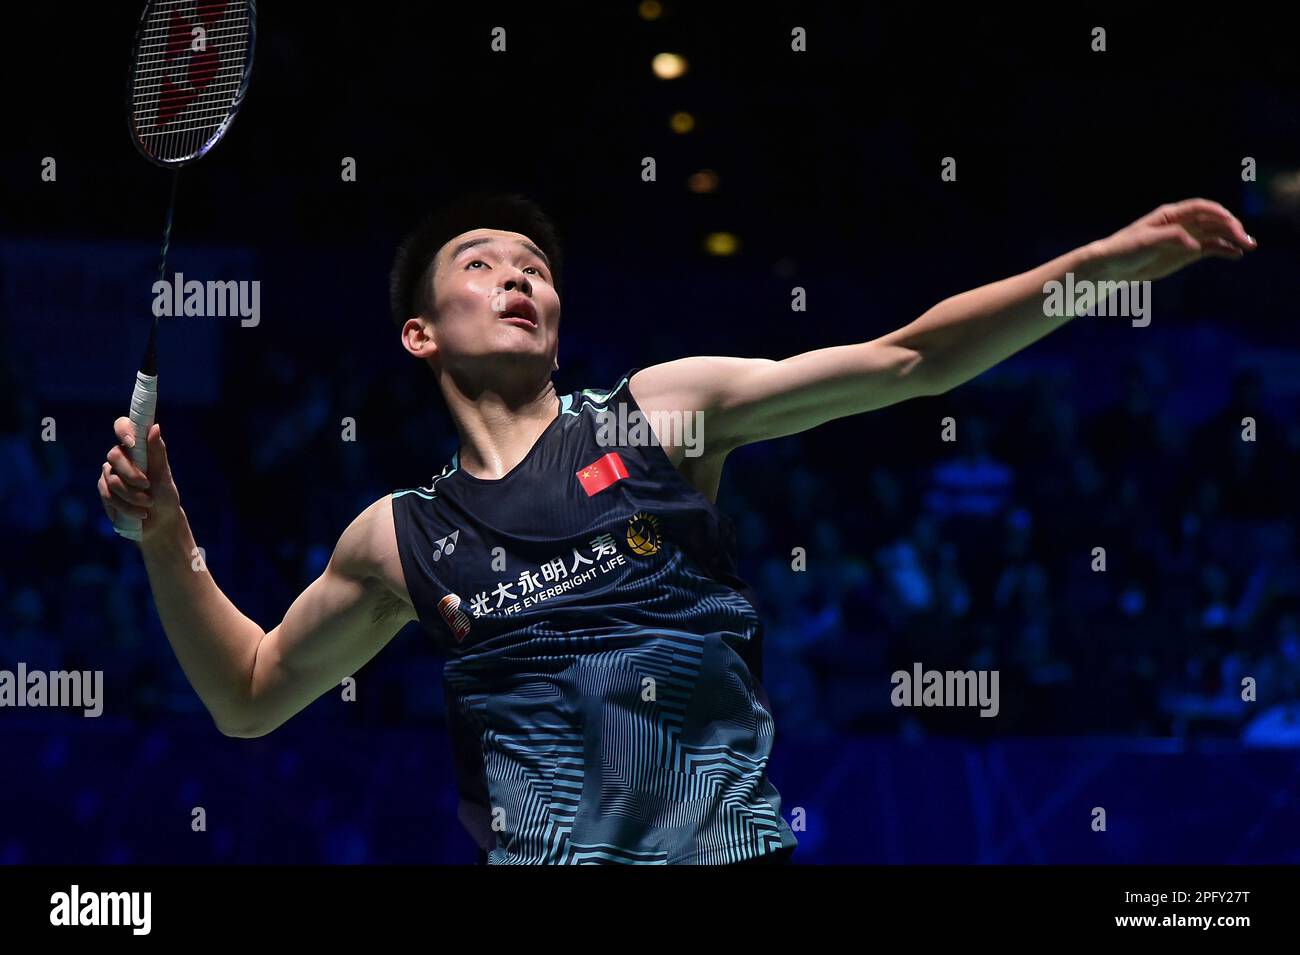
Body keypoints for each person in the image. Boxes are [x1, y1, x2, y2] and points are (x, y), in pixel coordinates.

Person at [97, 191, 1255, 863]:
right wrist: (168, 536)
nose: (519, 277)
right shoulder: (399, 535)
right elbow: (247, 694)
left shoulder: (660, 413)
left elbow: (909, 359)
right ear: (419, 336)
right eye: (482, 264)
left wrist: (1100, 267)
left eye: (537, 269)